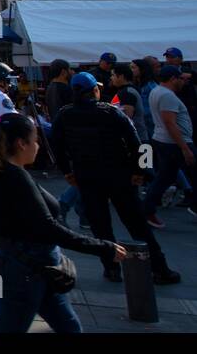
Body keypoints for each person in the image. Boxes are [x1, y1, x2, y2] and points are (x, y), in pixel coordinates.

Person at [0, 113, 124, 333]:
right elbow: (46, 226)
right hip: (25, 266)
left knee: (69, 327)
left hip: (27, 263)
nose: (38, 145)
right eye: (35, 140)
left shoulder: (0, 171)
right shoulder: (14, 177)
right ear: (21, 144)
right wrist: (102, 247)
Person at [50, 72, 180, 284]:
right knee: (137, 224)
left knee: (100, 226)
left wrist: (67, 171)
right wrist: (142, 172)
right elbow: (140, 145)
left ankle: (111, 268)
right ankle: (159, 268)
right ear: (95, 90)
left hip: (87, 176)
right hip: (119, 176)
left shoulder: (65, 115)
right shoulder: (110, 112)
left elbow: (56, 147)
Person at [141, 65, 197, 223]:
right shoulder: (167, 96)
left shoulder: (157, 91)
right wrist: (185, 148)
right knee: (174, 175)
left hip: (163, 140)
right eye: (180, 78)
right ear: (173, 79)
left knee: (165, 177)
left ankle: (147, 209)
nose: (182, 82)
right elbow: (169, 122)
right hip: (175, 142)